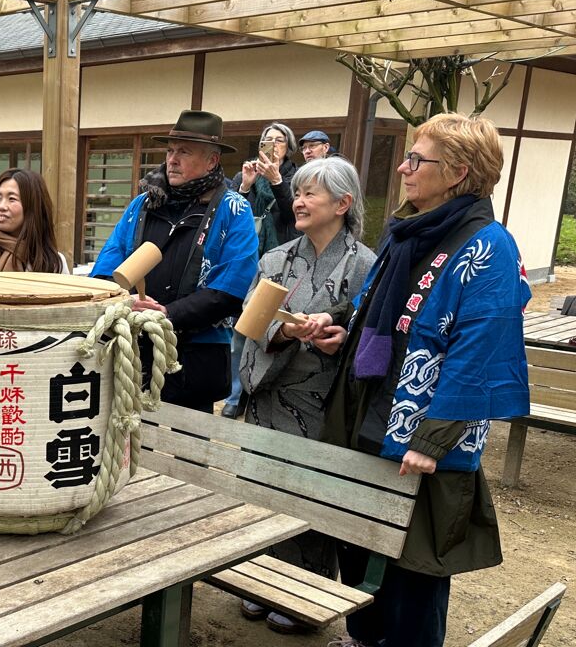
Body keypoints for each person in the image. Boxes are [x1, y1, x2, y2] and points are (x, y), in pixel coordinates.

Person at [307, 113, 530, 647]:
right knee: (360, 541)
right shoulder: (406, 232)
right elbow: (382, 314)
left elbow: (481, 352)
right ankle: (363, 638)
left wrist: (431, 440)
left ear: (456, 172)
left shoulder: (488, 246)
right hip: (367, 413)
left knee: (414, 565)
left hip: (422, 437)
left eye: (417, 159)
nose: (404, 168)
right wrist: (340, 326)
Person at [235, 157, 376, 634]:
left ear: (343, 203)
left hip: (323, 401)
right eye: (297, 192)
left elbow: (367, 333)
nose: (298, 200)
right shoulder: (275, 260)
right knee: (263, 490)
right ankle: (259, 581)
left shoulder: (366, 266)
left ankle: (305, 593)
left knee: (309, 494)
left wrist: (338, 336)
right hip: (271, 396)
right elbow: (250, 328)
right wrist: (282, 333)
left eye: (311, 193)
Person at [90, 110, 258, 413]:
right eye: (170, 150)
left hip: (195, 358)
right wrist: (124, 301)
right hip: (133, 346)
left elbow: (231, 290)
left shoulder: (234, 208)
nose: (172, 159)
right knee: (126, 442)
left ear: (212, 161)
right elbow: (106, 267)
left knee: (188, 455)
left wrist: (167, 312)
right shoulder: (143, 203)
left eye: (184, 151)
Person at [224, 121, 300, 419]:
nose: (273, 145)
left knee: (272, 328)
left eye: (279, 140)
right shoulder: (247, 175)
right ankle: (235, 394)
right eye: (267, 140)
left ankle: (260, 388)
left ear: (288, 147)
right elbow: (231, 213)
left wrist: (278, 181)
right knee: (241, 329)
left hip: (282, 262)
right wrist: (244, 185)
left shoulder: (295, 176)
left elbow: (294, 216)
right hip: (247, 260)